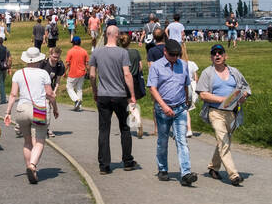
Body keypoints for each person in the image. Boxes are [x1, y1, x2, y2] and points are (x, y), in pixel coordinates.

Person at [88, 24, 139, 175]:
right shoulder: (123, 53)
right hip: (120, 95)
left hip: (103, 94)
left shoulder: (96, 52)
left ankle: (104, 164)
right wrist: (132, 95)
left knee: (104, 129)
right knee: (125, 127)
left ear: (105, 34)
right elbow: (127, 75)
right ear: (116, 35)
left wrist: (95, 90)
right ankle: (127, 161)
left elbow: (91, 75)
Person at [197, 44, 250, 186]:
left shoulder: (234, 72)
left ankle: (213, 167)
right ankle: (233, 175)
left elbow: (245, 88)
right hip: (215, 112)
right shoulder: (207, 73)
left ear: (225, 56)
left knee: (223, 141)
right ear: (211, 57)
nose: (217, 56)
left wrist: (244, 95)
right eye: (214, 53)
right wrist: (223, 100)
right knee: (224, 141)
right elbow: (203, 94)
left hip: (232, 113)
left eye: (220, 53)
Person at [4, 46, 57, 184]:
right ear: (39, 59)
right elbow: (50, 94)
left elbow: (13, 94)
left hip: (22, 110)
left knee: (27, 141)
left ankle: (29, 166)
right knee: (39, 141)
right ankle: (33, 166)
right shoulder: (43, 74)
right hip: (38, 110)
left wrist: (8, 112)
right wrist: (55, 108)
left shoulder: (18, 73)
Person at [148, 39, 196, 185]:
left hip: (180, 108)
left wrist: (187, 101)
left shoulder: (184, 65)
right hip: (163, 110)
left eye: (177, 55)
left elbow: (186, 84)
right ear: (165, 52)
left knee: (182, 140)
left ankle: (186, 173)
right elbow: (152, 88)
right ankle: (162, 169)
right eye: (172, 54)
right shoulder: (156, 66)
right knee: (162, 141)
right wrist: (163, 106)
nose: (175, 57)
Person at [65, 35, 89, 110]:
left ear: (73, 43)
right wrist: (88, 71)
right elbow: (87, 64)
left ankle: (76, 100)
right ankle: (79, 106)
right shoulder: (84, 51)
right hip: (82, 72)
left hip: (73, 72)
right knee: (79, 89)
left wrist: (64, 72)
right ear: (80, 43)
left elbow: (68, 63)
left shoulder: (70, 51)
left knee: (69, 87)